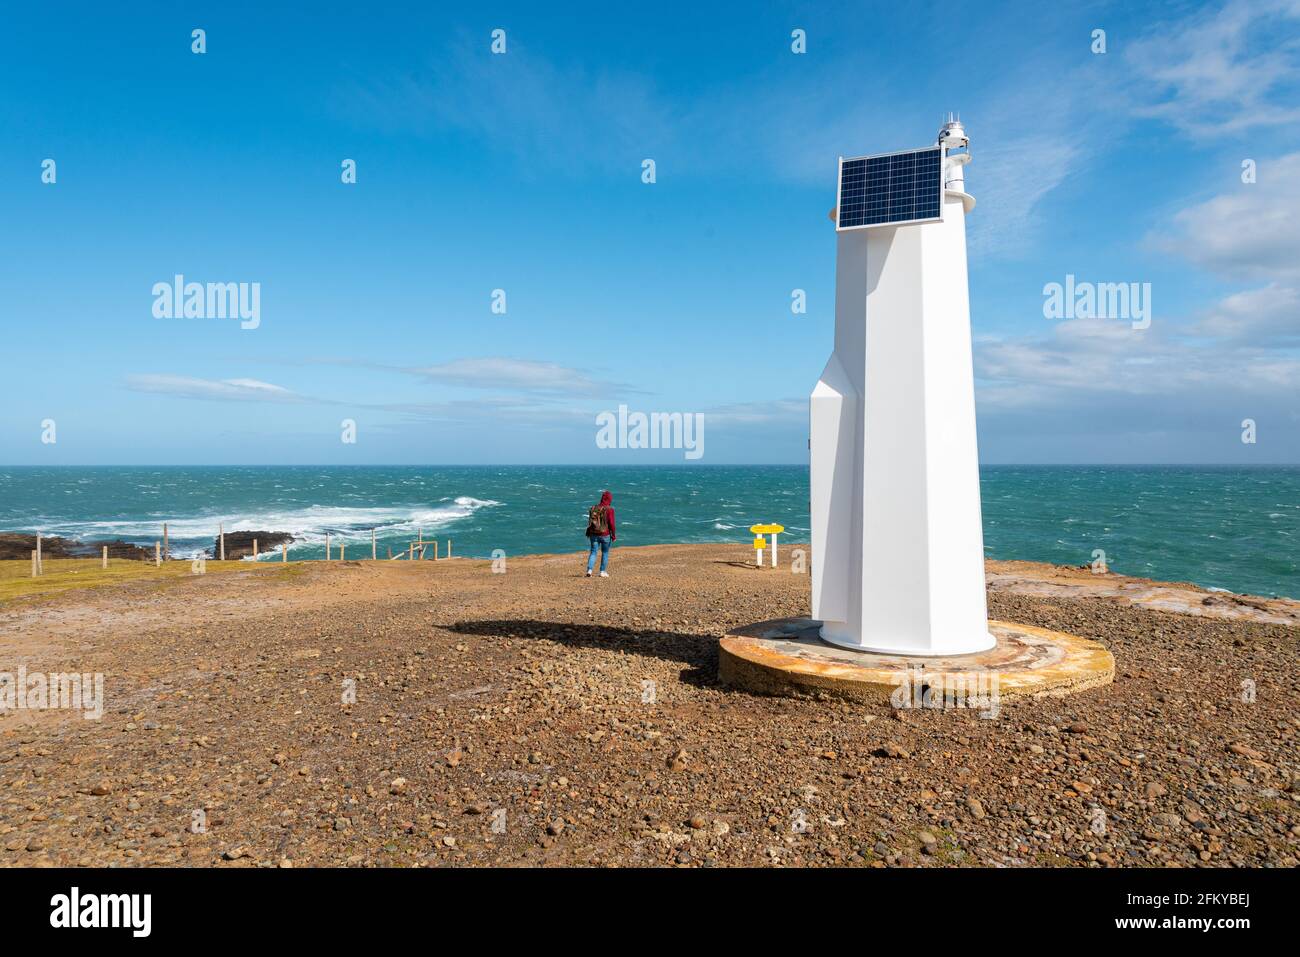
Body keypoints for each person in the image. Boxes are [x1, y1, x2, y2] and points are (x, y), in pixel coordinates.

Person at [585, 490, 616, 577]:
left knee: (593, 552)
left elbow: (590, 522)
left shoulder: (594, 508)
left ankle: (589, 570)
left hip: (593, 534)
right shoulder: (610, 509)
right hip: (605, 535)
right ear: (609, 499)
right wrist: (613, 535)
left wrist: (588, 532)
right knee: (605, 552)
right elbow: (612, 524)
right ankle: (602, 571)